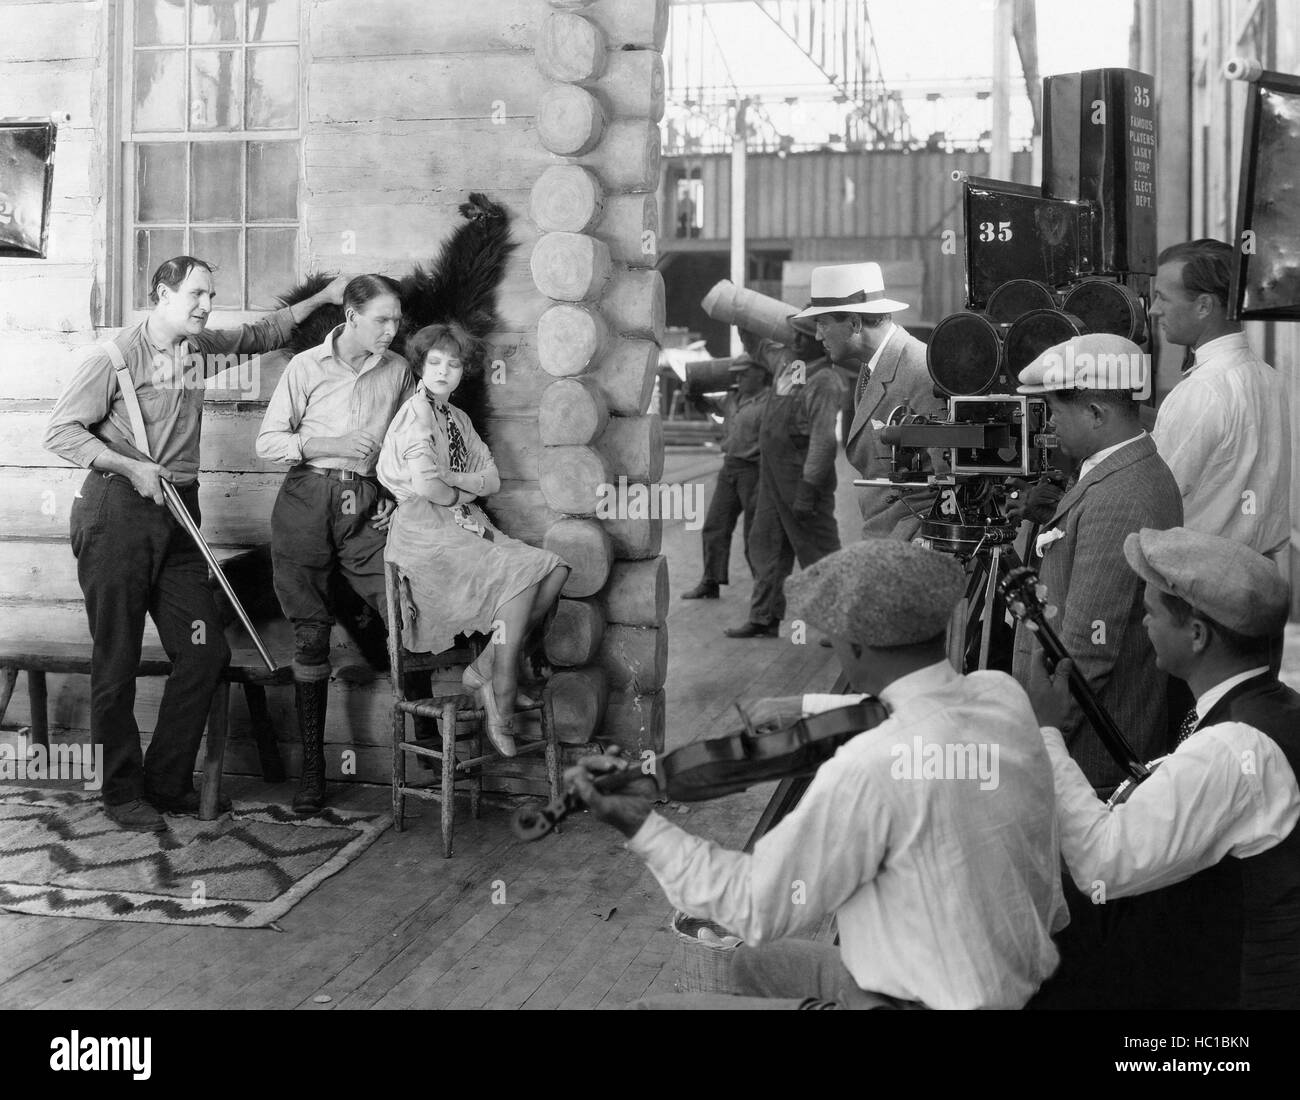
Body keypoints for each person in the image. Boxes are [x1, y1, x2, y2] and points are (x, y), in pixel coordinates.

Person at [569, 540, 1067, 1009]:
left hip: (915, 1002)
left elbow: (752, 905)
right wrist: (801, 705)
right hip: (1005, 982)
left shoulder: (868, 769)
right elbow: (907, 706)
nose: (828, 639)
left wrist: (639, 825)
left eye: (834, 631)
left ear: (858, 647)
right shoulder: (1001, 695)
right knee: (748, 962)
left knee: (647, 1007)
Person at [43, 255, 347, 831]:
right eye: (197, 295)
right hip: (116, 512)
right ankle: (120, 791)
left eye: (211, 295)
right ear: (161, 293)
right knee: (118, 657)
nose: (207, 306)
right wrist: (129, 469)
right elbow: (60, 430)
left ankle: (166, 782)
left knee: (204, 651)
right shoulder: (113, 358)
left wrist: (324, 296)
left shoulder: (199, 349)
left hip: (180, 514)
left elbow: (264, 333)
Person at [1028, 527, 1300, 1009]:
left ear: (1197, 635)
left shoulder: (1231, 750)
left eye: (1151, 613)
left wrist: (1047, 732)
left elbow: (1101, 863)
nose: (1142, 626)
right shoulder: (1277, 707)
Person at [255, 274, 412, 814]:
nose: (392, 330)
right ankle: (314, 776)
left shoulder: (398, 371)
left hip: (363, 503)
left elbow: (408, 440)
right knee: (310, 633)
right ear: (350, 315)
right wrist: (330, 442)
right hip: (305, 497)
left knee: (400, 604)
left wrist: (395, 492)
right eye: (381, 319)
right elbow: (269, 441)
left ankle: (430, 749)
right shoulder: (305, 367)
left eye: (397, 320)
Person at [377, 323, 570, 757]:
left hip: (463, 522)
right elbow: (430, 489)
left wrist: (457, 485)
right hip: (424, 535)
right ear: (420, 366)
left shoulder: (456, 418)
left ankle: (487, 669)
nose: (444, 371)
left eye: (455, 364)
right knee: (519, 572)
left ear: (463, 371)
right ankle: (503, 690)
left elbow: (492, 480)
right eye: (435, 362)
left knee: (555, 567)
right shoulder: (415, 415)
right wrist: (463, 487)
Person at [1012, 333, 1182, 794]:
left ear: (1095, 413)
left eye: (1054, 411)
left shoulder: (1118, 497)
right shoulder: (1127, 468)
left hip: (1090, 763)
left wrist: (1040, 747)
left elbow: (1085, 656)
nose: (1048, 425)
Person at [1149, 238, 1292, 562]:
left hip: (1198, 584)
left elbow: (1153, 497)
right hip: (1258, 578)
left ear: (1203, 305)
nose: (1155, 310)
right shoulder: (1267, 377)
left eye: (1162, 298)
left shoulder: (1202, 390)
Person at [795, 263, 946, 540]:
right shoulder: (870, 368)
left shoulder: (921, 370)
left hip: (912, 543)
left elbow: (950, 479)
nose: (817, 335)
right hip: (885, 538)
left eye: (823, 323)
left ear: (854, 323)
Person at [723, 328, 843, 638]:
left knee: (820, 555)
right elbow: (757, 345)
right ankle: (764, 617)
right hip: (773, 480)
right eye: (796, 335)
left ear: (823, 341)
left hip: (803, 482)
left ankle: (844, 629)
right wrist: (744, 318)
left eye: (806, 336)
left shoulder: (824, 381)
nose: (797, 341)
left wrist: (808, 488)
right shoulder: (788, 366)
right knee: (765, 546)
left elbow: (823, 441)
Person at [681, 352, 770, 600]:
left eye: (744, 373)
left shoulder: (769, 403)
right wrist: (693, 391)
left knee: (755, 534)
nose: (738, 378)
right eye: (737, 373)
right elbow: (706, 405)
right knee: (714, 527)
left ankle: (763, 591)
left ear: (761, 374)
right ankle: (711, 582)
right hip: (729, 468)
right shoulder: (733, 398)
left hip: (755, 470)